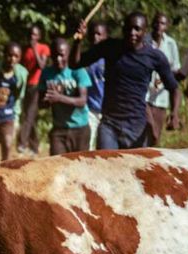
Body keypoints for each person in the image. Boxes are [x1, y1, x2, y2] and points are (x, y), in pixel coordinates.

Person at [71, 12, 179, 150]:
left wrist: (174, 113)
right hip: (110, 125)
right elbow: (75, 63)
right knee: (107, 166)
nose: (132, 33)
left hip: (136, 127)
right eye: (128, 28)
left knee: (136, 170)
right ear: (123, 29)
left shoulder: (154, 57)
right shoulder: (110, 47)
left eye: (137, 29)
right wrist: (78, 41)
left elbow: (173, 88)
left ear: (145, 31)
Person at [39, 38, 92, 155]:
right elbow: (41, 104)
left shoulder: (78, 71)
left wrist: (59, 98)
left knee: (79, 169)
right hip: (59, 129)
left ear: (68, 54)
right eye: (55, 55)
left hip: (80, 129)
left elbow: (82, 101)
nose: (58, 59)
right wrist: (47, 99)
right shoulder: (46, 73)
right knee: (56, 167)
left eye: (61, 55)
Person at [144, 13, 181, 146]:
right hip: (145, 96)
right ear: (152, 23)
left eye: (162, 23)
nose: (159, 26)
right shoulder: (144, 41)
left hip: (161, 98)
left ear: (167, 26)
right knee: (149, 131)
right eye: (156, 22)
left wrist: (165, 78)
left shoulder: (171, 44)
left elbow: (175, 69)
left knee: (155, 138)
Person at [18, 24, 50, 155]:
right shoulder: (24, 50)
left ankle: (21, 143)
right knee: (31, 116)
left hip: (38, 86)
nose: (32, 36)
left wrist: (34, 49)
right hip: (26, 86)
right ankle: (34, 147)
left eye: (35, 34)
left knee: (29, 115)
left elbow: (42, 65)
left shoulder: (43, 48)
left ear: (39, 36)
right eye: (31, 34)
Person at [85, 21, 107, 149]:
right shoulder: (85, 59)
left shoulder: (111, 59)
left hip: (108, 112)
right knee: (87, 148)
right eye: (93, 34)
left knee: (105, 149)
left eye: (99, 34)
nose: (95, 37)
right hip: (89, 110)